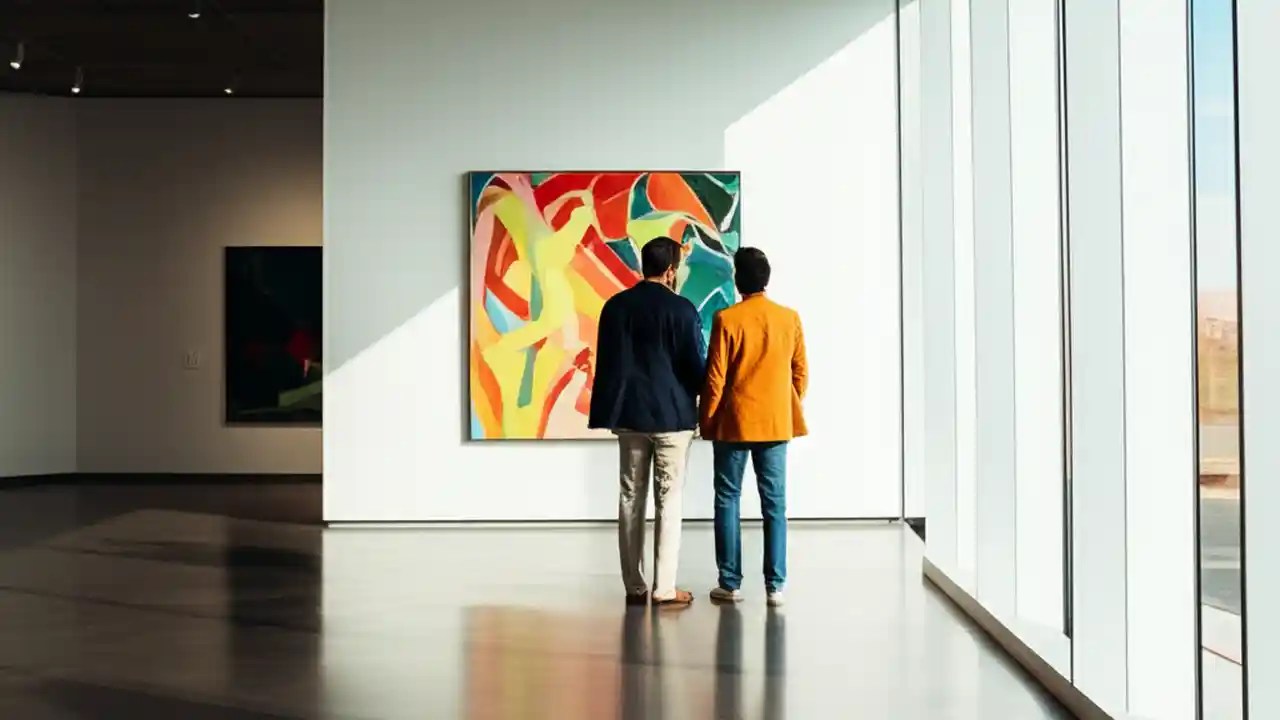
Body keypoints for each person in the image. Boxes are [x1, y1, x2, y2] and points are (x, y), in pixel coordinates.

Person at [589, 236, 707, 608]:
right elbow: (695, 368)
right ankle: (665, 588)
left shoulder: (615, 307)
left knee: (630, 497)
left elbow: (607, 364)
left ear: (645, 266)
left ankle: (634, 586)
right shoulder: (683, 310)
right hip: (673, 417)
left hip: (630, 415)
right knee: (668, 499)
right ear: (671, 270)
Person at [700, 247, 808, 607]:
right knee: (775, 505)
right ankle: (775, 585)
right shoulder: (788, 318)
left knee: (727, 499)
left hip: (734, 422)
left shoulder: (727, 319)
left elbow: (715, 379)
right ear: (767, 278)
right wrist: (784, 400)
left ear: (737, 279)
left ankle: (730, 583)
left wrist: (708, 420)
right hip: (777, 423)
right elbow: (801, 373)